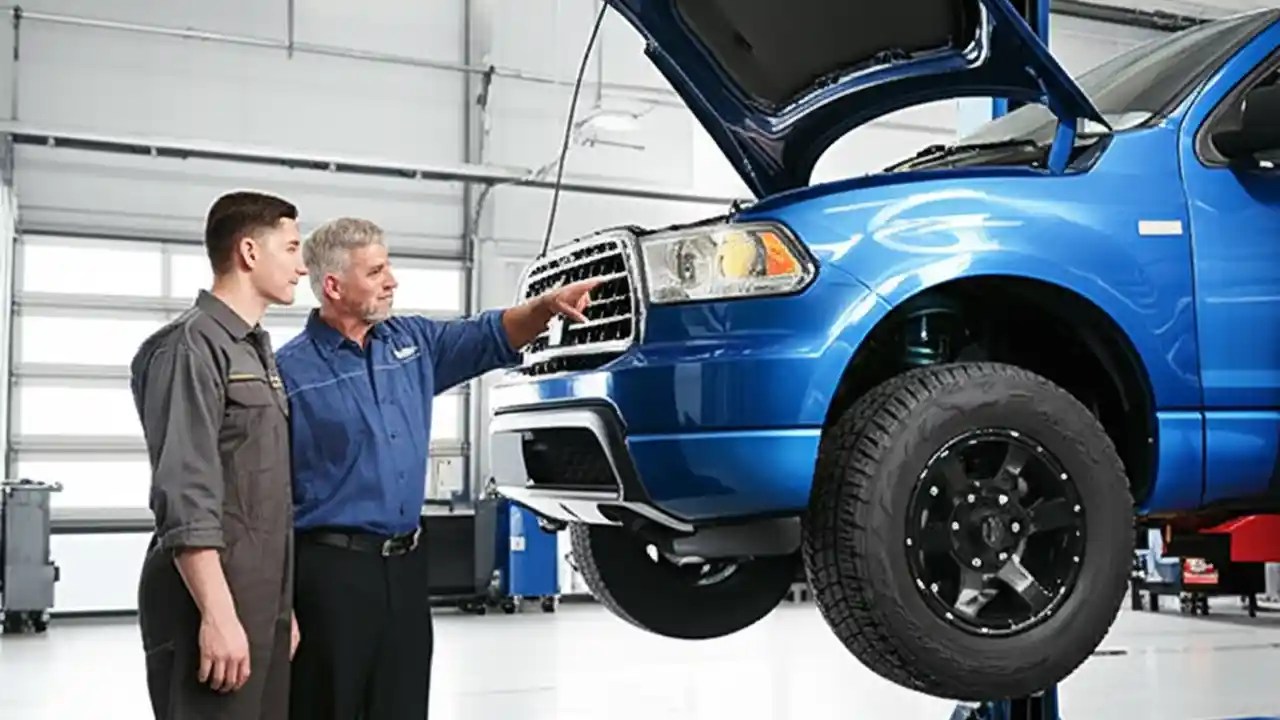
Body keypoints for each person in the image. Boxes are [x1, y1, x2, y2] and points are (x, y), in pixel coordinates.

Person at [277, 217, 596, 719]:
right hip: (329, 574)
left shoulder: (412, 344)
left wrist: (542, 309)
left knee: (401, 705)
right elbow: (265, 498)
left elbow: (488, 336)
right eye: (377, 270)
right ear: (333, 286)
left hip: (405, 568)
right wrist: (278, 604)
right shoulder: (288, 374)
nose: (392, 280)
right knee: (327, 706)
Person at [130, 190, 309, 719]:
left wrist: (280, 608)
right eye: (293, 248)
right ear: (250, 252)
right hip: (209, 606)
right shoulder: (190, 347)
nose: (302, 266)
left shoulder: (251, 348)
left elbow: (259, 491)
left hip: (259, 604)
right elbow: (185, 492)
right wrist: (218, 612)